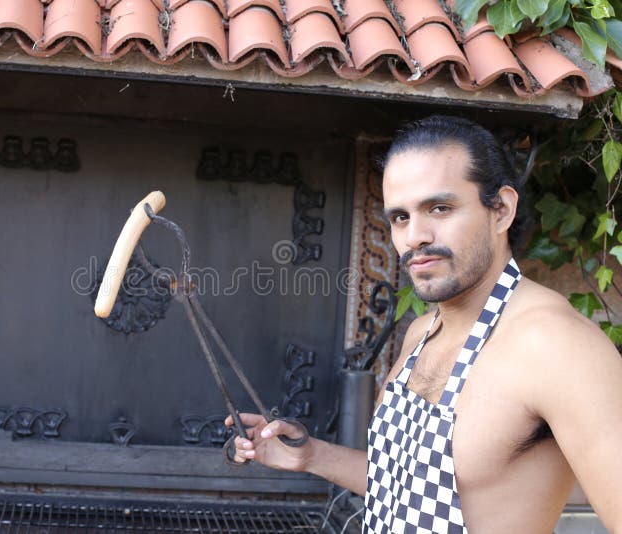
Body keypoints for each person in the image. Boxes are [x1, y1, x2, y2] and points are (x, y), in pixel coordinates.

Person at [227, 116, 622, 533]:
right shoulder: (422, 331)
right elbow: (409, 488)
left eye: (439, 208)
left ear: (501, 209)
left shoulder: (556, 345)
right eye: (400, 217)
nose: (414, 236)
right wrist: (312, 457)